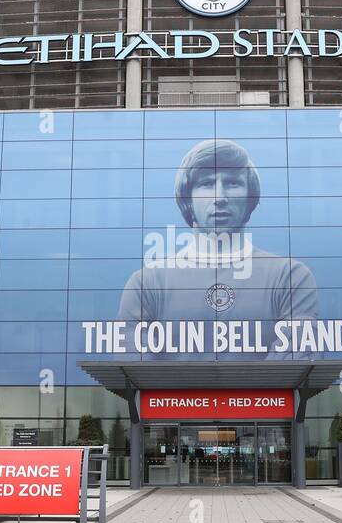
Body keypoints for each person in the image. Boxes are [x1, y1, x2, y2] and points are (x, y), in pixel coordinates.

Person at [116, 138, 319, 360]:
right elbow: (135, 371)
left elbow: (295, 367)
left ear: (250, 195)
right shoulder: (146, 283)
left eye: (232, 183)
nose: (220, 197)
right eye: (206, 184)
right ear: (187, 198)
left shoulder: (290, 277)